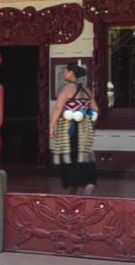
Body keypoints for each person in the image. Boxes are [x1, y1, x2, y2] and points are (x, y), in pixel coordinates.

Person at [49, 63, 99, 195]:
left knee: (71, 155)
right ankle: (89, 182)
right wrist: (91, 125)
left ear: (71, 72)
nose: (64, 73)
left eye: (66, 71)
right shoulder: (87, 90)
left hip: (69, 128)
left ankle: (76, 184)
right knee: (84, 154)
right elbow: (95, 109)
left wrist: (52, 125)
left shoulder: (67, 89)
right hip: (85, 128)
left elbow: (58, 108)